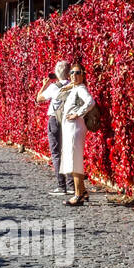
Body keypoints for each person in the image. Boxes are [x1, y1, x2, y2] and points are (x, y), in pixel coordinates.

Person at [60, 63, 94, 206]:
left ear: (83, 75)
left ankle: (78, 195)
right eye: (72, 73)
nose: (74, 75)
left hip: (75, 128)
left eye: (77, 72)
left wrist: (78, 114)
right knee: (72, 159)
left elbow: (91, 101)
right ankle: (83, 191)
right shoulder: (74, 89)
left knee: (75, 160)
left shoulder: (81, 89)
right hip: (70, 129)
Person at [35, 61, 71, 195]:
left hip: (54, 120)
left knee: (56, 153)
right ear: (69, 73)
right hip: (69, 120)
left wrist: (44, 85)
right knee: (69, 151)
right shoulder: (74, 86)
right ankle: (72, 184)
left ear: (56, 73)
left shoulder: (53, 87)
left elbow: (38, 99)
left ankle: (62, 186)